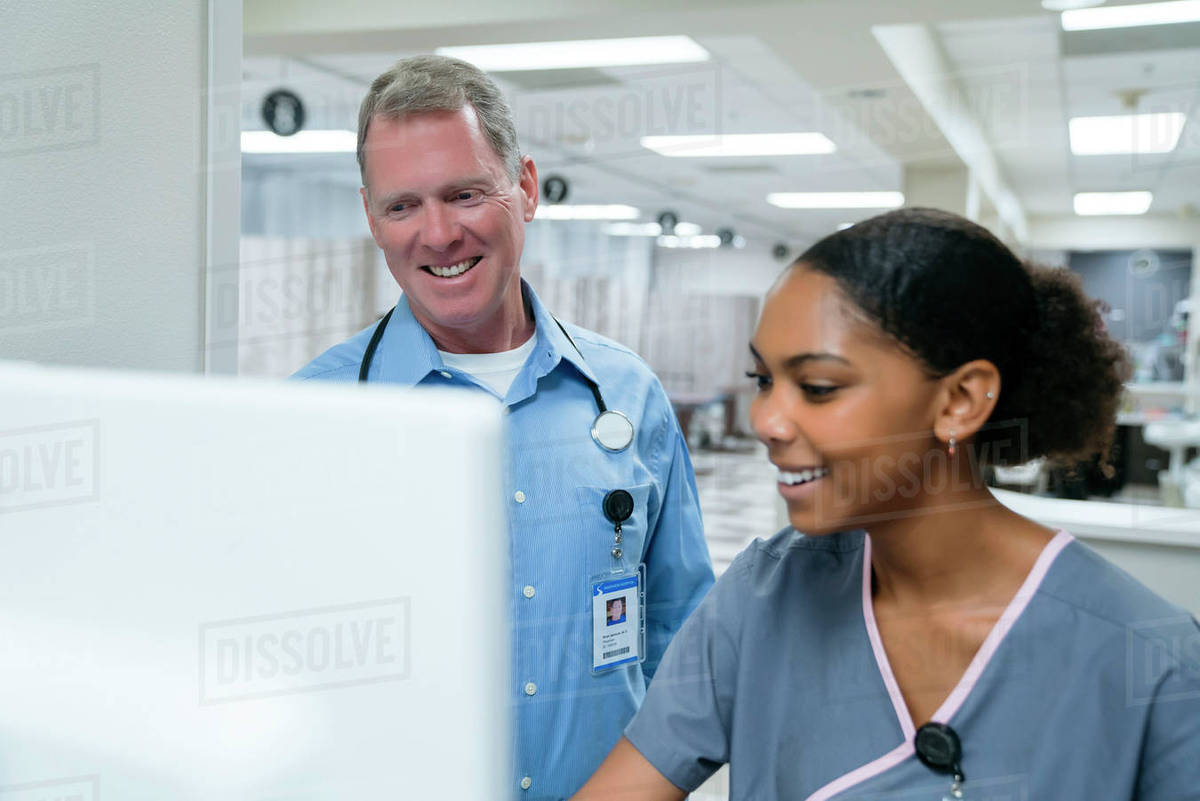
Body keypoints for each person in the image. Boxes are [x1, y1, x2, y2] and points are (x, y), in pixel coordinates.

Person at [571, 208, 1200, 800]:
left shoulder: (1149, 660)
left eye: (817, 387)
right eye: (765, 380)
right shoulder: (762, 596)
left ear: (959, 400)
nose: (766, 419)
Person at [292, 55, 714, 799]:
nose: (438, 234)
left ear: (524, 186)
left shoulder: (625, 395)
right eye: (403, 206)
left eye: (464, 193)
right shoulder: (317, 414)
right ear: (370, 215)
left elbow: (686, 642)